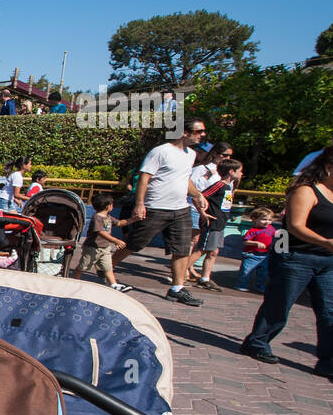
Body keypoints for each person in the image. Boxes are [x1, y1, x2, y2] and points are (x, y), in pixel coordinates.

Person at [240, 145, 333, 377]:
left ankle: (328, 362)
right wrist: (326, 242)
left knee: (329, 312)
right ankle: (257, 342)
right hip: (295, 257)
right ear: (330, 168)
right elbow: (296, 226)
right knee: (279, 305)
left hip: (327, 261)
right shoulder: (305, 190)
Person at [111, 119, 212, 306]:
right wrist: (140, 204)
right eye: (199, 131)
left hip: (180, 209)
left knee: (181, 248)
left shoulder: (191, 154)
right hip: (156, 207)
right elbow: (143, 178)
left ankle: (177, 289)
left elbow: (185, 178)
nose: (202, 135)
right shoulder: (161, 151)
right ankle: (108, 267)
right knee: (136, 243)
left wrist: (197, 194)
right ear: (184, 132)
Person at [186, 157, 242, 292]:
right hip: (213, 222)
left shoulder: (229, 186)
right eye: (240, 171)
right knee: (202, 249)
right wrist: (202, 213)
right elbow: (198, 196)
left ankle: (205, 278)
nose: (241, 174)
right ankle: (179, 273)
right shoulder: (219, 185)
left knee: (213, 251)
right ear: (231, 171)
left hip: (220, 222)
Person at [76, 192, 132, 292]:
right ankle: (74, 280)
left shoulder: (108, 217)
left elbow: (119, 223)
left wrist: (134, 219)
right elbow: (100, 232)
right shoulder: (97, 217)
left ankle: (114, 285)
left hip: (105, 248)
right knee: (83, 266)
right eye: (112, 204)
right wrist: (115, 240)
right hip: (92, 248)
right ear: (108, 206)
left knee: (108, 267)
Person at [235, 206, 277, 293]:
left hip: (265, 255)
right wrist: (256, 243)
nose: (267, 222)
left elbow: (274, 234)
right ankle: (241, 285)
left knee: (263, 273)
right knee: (246, 271)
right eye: (264, 219)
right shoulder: (253, 230)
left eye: (269, 220)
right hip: (251, 255)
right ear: (254, 219)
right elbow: (246, 241)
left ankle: (259, 285)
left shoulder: (270, 228)